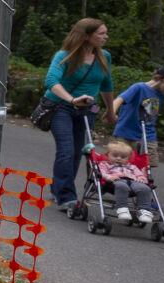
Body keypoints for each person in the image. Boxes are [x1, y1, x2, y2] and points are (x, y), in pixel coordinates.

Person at [43, 18, 116, 212]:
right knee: (66, 150)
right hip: (61, 107)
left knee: (78, 151)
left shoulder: (104, 56)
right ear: (86, 36)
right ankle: (66, 197)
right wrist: (71, 99)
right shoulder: (64, 55)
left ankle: (59, 188)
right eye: (101, 33)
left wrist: (110, 110)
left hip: (86, 111)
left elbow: (106, 85)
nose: (105, 37)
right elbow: (51, 81)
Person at [113, 65, 164, 153]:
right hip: (126, 134)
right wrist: (111, 114)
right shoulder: (139, 87)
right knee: (121, 162)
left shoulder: (161, 95)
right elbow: (118, 100)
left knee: (146, 164)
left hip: (147, 136)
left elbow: (151, 115)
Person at [91, 139, 158, 225]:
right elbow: (102, 173)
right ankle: (122, 208)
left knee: (145, 188)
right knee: (122, 186)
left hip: (134, 182)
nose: (118, 158)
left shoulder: (132, 166)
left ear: (128, 158)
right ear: (108, 155)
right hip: (115, 181)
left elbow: (139, 174)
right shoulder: (104, 164)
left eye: (123, 157)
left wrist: (142, 178)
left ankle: (144, 210)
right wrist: (109, 177)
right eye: (115, 156)